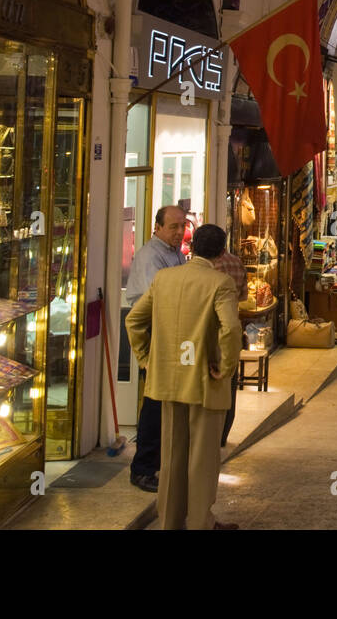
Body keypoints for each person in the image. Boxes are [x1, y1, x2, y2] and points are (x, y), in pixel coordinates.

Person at [126, 224, 242, 530]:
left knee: (172, 457)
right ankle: (199, 523)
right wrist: (228, 367)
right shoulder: (221, 283)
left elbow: (134, 320)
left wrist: (147, 360)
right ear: (221, 252)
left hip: (168, 380)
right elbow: (230, 329)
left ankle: (170, 521)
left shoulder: (165, 279)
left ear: (191, 248)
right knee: (202, 460)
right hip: (205, 382)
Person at [123, 205, 187, 492]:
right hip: (155, 333)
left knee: (163, 404)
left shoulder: (175, 253)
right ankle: (143, 469)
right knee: (155, 404)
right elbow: (158, 301)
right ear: (157, 227)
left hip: (169, 334)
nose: (178, 232)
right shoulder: (152, 255)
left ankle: (158, 464)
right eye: (173, 226)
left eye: (181, 226)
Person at [210, 243, 247, 449]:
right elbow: (244, 296)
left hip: (213, 329)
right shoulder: (236, 262)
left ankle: (211, 435)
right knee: (229, 386)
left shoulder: (209, 270)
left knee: (211, 381)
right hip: (232, 326)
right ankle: (222, 436)